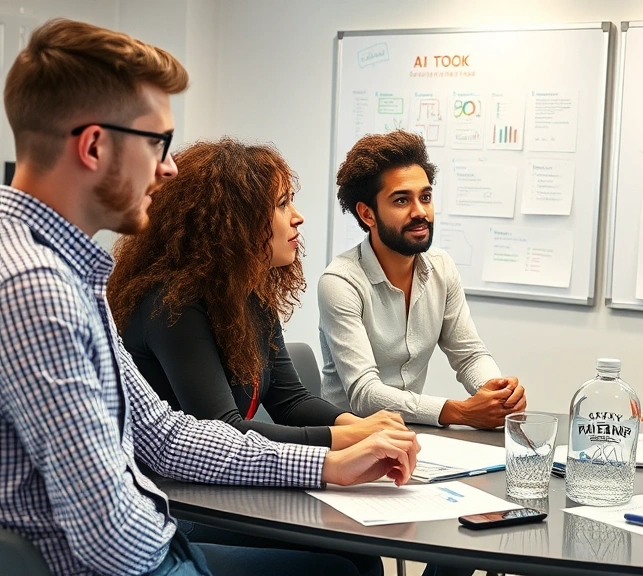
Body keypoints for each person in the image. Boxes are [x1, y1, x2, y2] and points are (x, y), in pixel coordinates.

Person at [0, 19, 418, 576]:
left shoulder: (68, 272)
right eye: (158, 143)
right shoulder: (34, 288)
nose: (169, 167)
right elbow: (107, 535)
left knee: (349, 562)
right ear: (94, 145)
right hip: (131, 562)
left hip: (150, 542)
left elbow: (164, 436)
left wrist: (326, 466)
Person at [107, 138, 409, 576]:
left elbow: (290, 399)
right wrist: (343, 441)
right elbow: (222, 428)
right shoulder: (173, 305)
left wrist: (361, 425)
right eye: (282, 204)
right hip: (179, 504)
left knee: (360, 555)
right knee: (338, 567)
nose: (298, 217)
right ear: (233, 222)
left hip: (225, 487)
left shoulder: (249, 292)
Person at [319, 130, 525, 428]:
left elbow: (469, 355)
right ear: (367, 214)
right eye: (402, 200)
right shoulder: (340, 282)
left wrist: (497, 393)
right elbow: (364, 393)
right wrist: (459, 411)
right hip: (351, 438)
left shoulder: (441, 268)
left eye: (425, 197)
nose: (420, 212)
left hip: (414, 433)